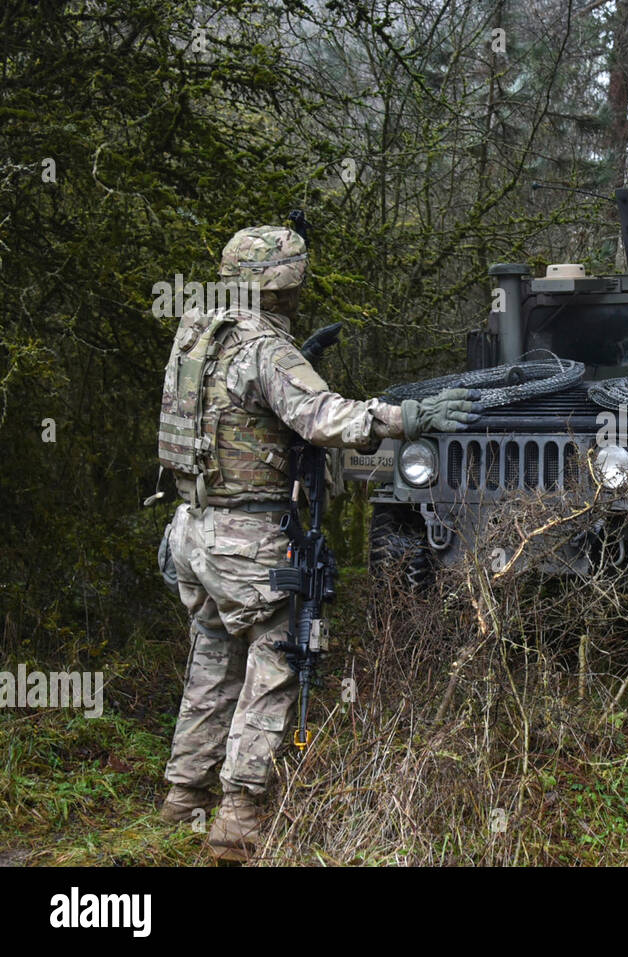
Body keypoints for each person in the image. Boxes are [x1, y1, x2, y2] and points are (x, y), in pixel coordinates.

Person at [155, 223, 476, 861]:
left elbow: (236, 410)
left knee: (212, 662)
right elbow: (322, 418)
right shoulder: (265, 348)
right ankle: (240, 813)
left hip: (192, 530)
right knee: (274, 663)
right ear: (286, 284)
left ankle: (182, 796)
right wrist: (404, 416)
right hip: (246, 538)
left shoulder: (196, 330)